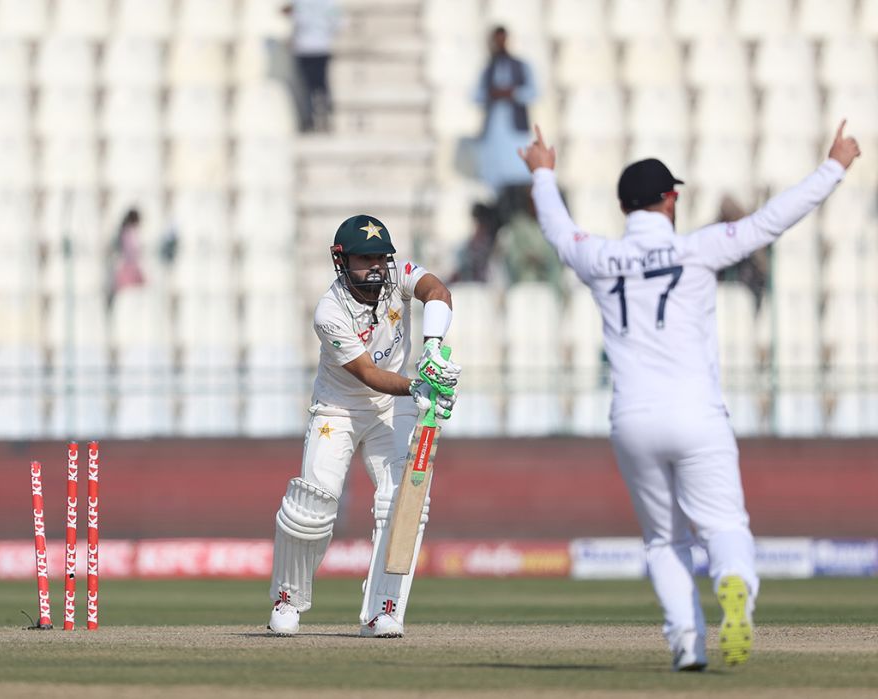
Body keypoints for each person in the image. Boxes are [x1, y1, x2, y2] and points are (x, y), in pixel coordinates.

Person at [519, 122, 860, 670]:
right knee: (724, 526)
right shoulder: (697, 249)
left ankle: (685, 643)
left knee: (663, 542)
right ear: (671, 199)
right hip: (697, 413)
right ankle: (732, 587)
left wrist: (541, 172)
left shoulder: (598, 257)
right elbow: (770, 221)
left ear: (623, 206)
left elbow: (559, 230)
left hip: (632, 418)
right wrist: (834, 167)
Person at [267, 214, 460, 638]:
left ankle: (384, 610)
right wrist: (418, 386)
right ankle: (287, 597)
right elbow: (369, 375)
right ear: (341, 260)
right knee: (312, 507)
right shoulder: (328, 312)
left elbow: (437, 291)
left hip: (392, 409)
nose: (375, 266)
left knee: (404, 500)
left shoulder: (399, 277)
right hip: (339, 406)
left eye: (380, 257)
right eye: (364, 258)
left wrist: (431, 349)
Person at [475, 26, 536, 205]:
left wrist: (512, 93)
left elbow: (533, 92)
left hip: (516, 129)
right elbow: (476, 95)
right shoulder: (487, 69)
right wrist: (492, 94)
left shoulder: (522, 66)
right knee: (493, 176)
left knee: (518, 172)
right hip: (493, 131)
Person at [285, 0, 343, 132]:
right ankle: (324, 117)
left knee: (307, 86)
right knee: (321, 84)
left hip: (304, 47)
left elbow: (289, 15)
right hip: (321, 46)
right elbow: (338, 23)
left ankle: (311, 120)